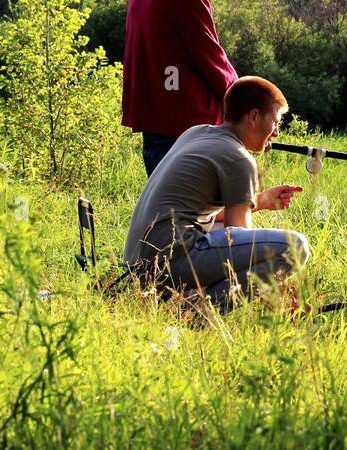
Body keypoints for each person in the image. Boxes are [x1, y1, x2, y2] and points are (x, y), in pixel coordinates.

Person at [123, 76, 309, 313]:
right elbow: (239, 237)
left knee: (225, 235)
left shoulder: (196, 133)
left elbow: (198, 214)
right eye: (275, 122)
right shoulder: (239, 157)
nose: (276, 133)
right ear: (253, 116)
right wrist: (270, 293)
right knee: (295, 247)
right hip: (165, 262)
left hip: (137, 260)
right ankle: (197, 312)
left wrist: (260, 201)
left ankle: (185, 302)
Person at [122, 0, 238, 176]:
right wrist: (245, 100)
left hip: (154, 123)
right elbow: (213, 61)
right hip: (188, 126)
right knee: (193, 210)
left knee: (166, 207)